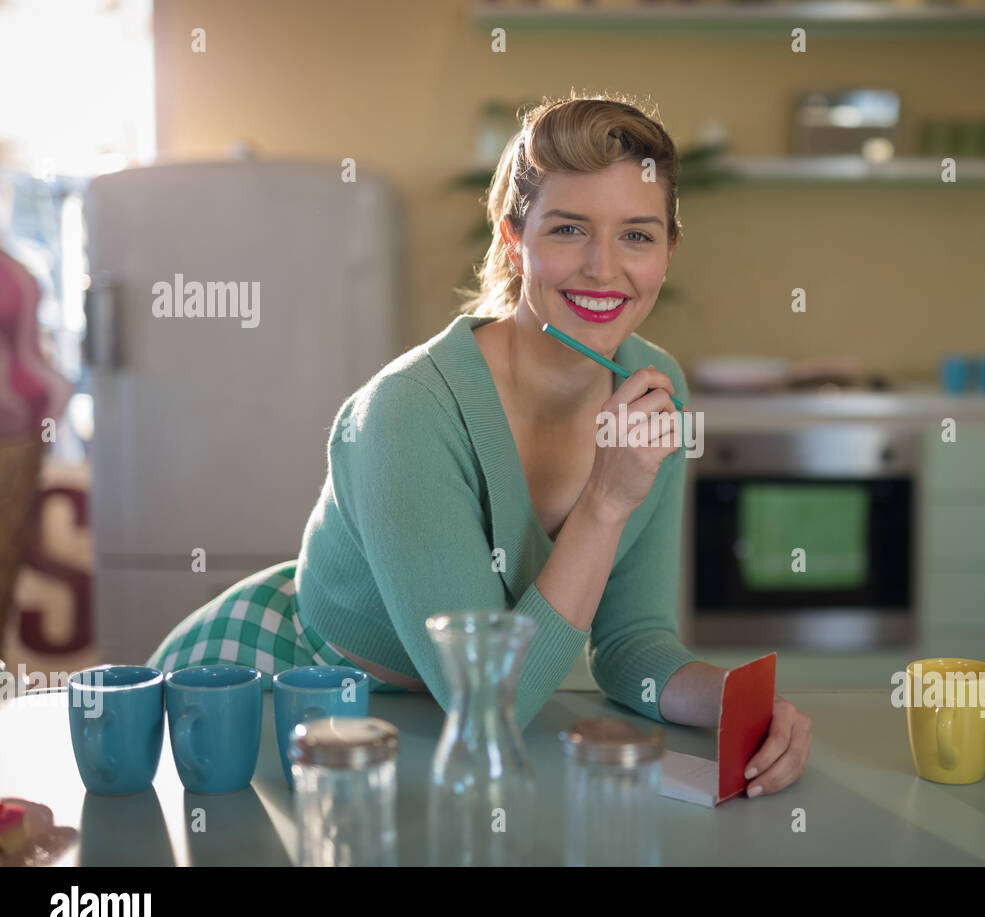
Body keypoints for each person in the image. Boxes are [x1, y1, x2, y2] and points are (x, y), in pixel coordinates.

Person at [146, 93, 811, 798]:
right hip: (279, 698)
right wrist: (608, 499)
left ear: (668, 252)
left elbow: (631, 645)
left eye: (637, 236)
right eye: (568, 230)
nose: (603, 268)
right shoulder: (409, 411)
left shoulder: (656, 391)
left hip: (435, 733)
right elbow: (490, 700)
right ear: (512, 240)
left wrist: (739, 709)